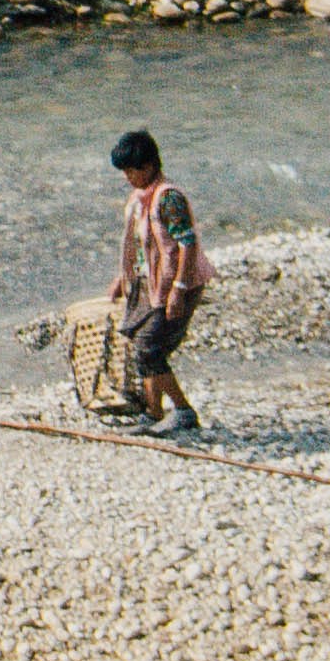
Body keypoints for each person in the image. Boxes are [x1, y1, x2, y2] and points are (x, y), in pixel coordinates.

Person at [109, 127, 212, 434]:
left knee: (149, 349)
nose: (128, 177)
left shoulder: (168, 199)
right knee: (142, 343)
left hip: (176, 284)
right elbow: (141, 246)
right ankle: (153, 413)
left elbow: (187, 245)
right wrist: (121, 278)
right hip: (148, 282)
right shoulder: (141, 197)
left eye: (132, 170)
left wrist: (179, 290)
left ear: (149, 167)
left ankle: (182, 410)